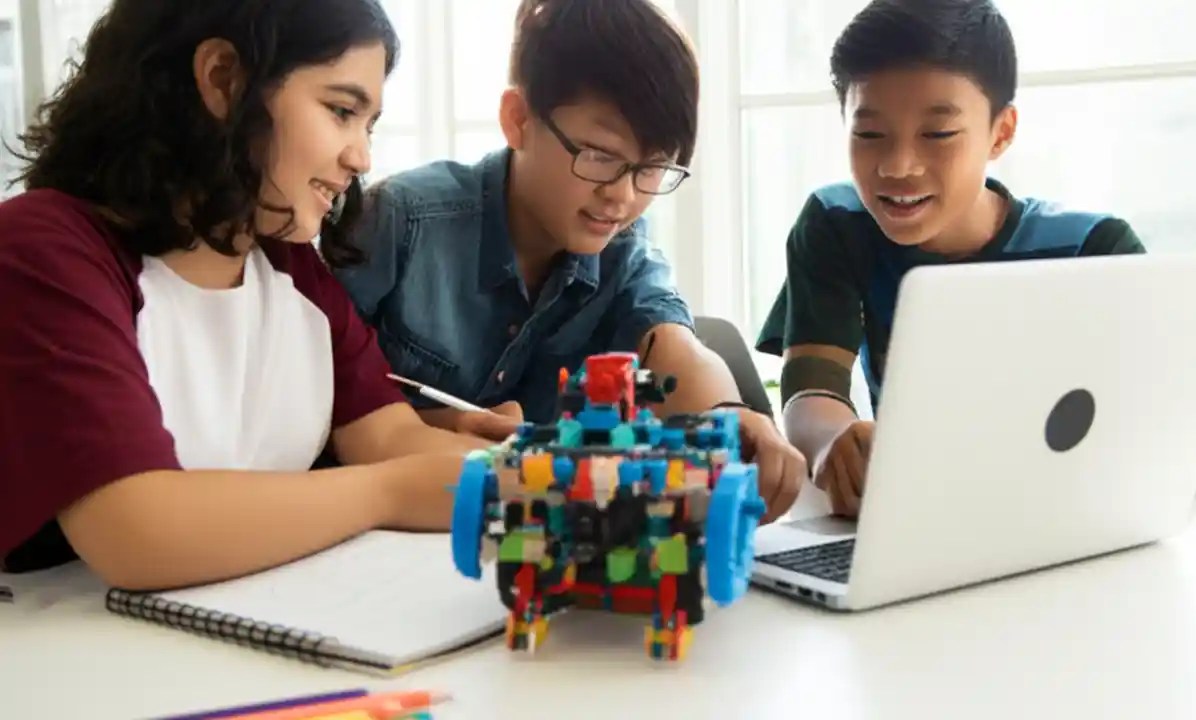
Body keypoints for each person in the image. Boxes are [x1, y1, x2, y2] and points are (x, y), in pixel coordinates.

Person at [0, 0, 493, 591]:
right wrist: (388, 492)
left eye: (369, 125)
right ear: (222, 79)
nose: (360, 157)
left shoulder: (285, 264)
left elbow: (387, 436)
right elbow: (135, 528)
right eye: (340, 111)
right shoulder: (44, 251)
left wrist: (528, 472)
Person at [336, 0, 806, 521]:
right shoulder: (401, 220)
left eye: (651, 167)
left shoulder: (624, 255)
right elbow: (304, 400)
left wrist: (727, 414)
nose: (622, 197)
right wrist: (435, 426)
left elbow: (675, 349)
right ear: (517, 121)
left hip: (534, 548)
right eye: (601, 156)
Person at [755, 0, 1147, 517]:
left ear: (1001, 132)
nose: (897, 166)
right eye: (869, 135)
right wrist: (833, 443)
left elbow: (1163, 418)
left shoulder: (1095, 247)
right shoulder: (837, 223)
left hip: (1066, 515)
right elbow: (811, 388)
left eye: (937, 135)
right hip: (916, 520)